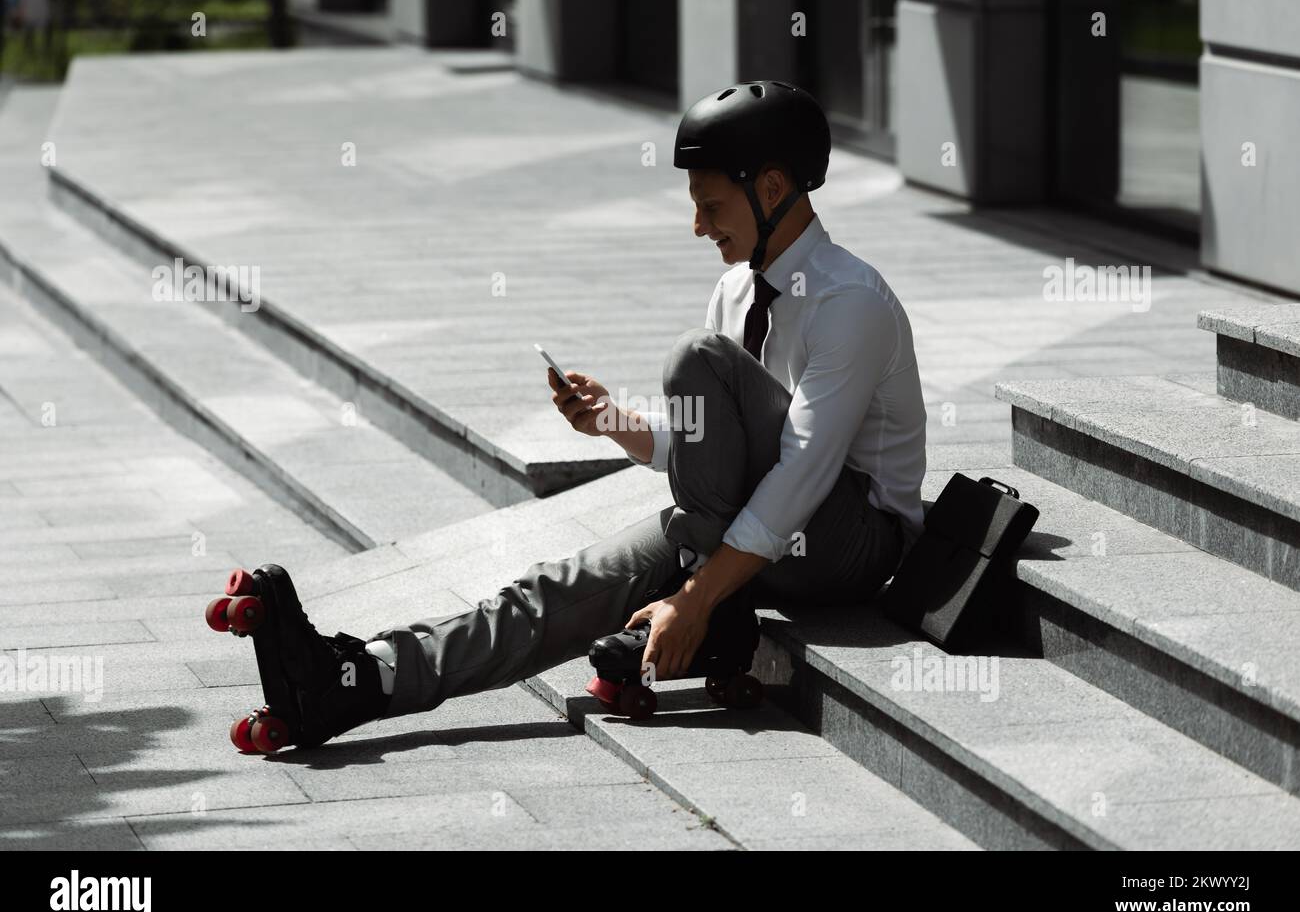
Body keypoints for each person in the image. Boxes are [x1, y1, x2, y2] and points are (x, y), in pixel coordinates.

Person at [235, 80, 927, 749]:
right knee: (554, 588)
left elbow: (802, 475)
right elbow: (707, 448)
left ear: (771, 188)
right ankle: (360, 678)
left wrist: (692, 596)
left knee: (696, 358)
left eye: (711, 206)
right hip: (741, 528)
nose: (697, 227)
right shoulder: (735, 290)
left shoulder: (850, 301)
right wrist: (612, 422)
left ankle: (711, 605)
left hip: (850, 542)